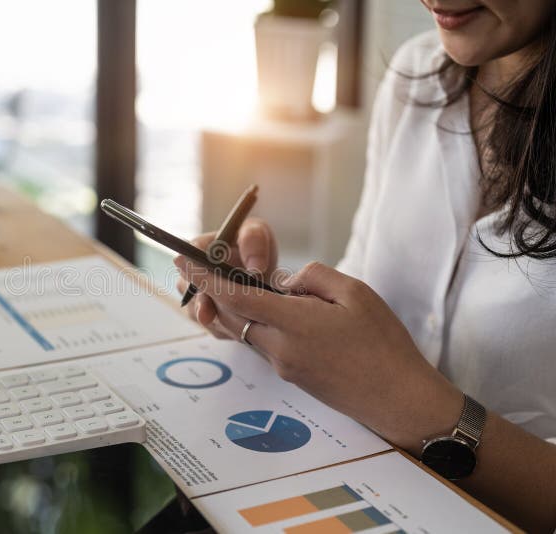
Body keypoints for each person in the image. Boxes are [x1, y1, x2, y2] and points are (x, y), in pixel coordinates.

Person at [176, 2, 556, 532]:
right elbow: (367, 291)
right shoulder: (415, 75)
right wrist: (270, 299)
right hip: (342, 489)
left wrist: (410, 402)